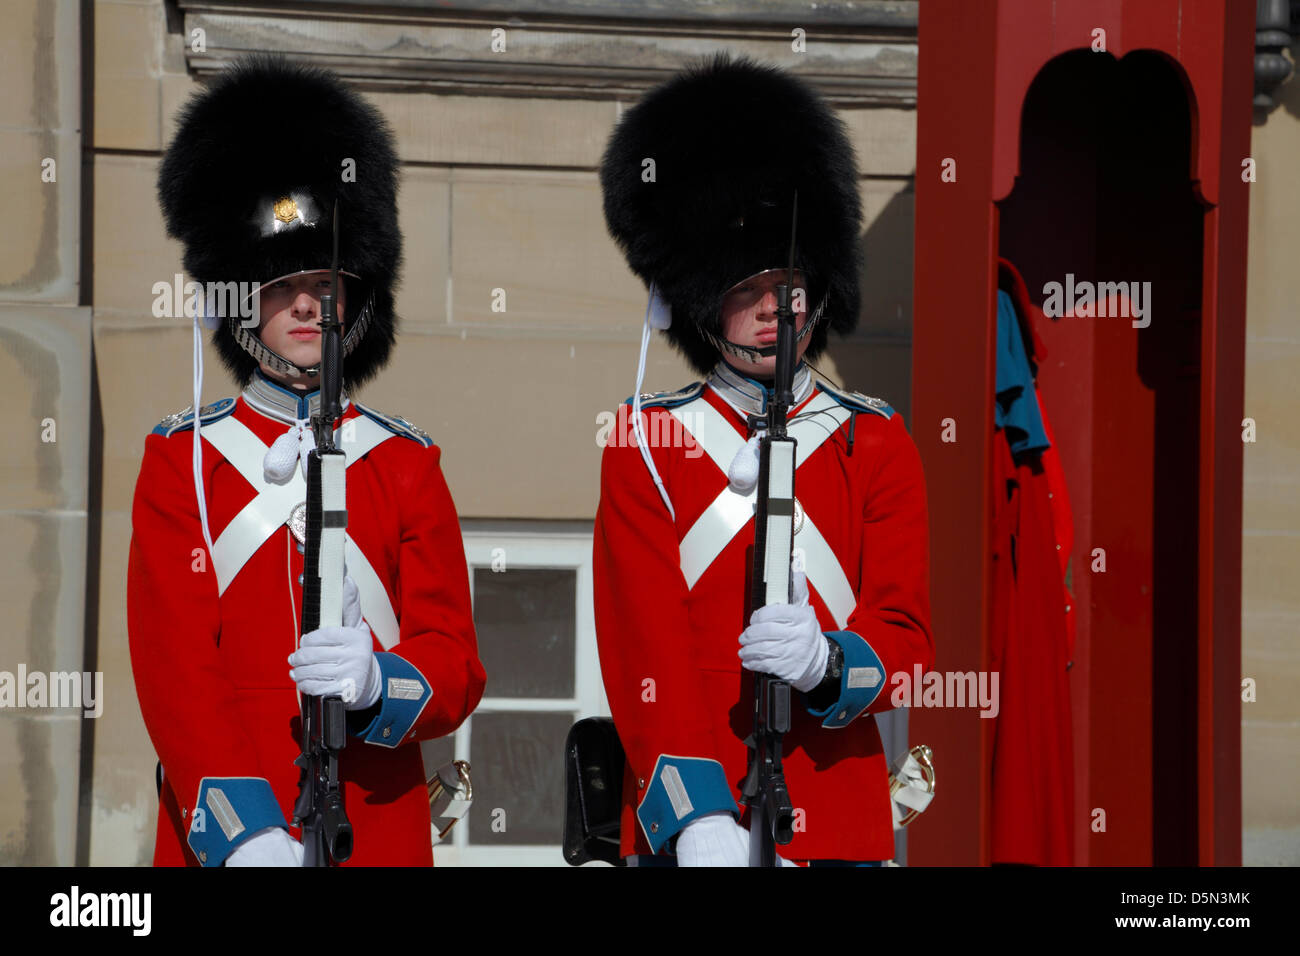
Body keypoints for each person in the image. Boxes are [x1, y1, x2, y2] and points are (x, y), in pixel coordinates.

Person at [129, 55, 485, 866]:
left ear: (355, 302)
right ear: (243, 300)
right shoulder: (182, 459)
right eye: (279, 284)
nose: (304, 305)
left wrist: (377, 682)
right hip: (231, 827)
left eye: (325, 283)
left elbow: (455, 661)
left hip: (379, 822)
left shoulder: (407, 463)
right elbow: (175, 669)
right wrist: (246, 828)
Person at [593, 55, 934, 865]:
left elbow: (910, 639)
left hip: (839, 811)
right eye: (749, 288)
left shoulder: (876, 438)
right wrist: (698, 812)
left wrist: (829, 662)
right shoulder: (646, 442)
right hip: (697, 823)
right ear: (704, 301)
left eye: (794, 280)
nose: (781, 304)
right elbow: (645, 650)